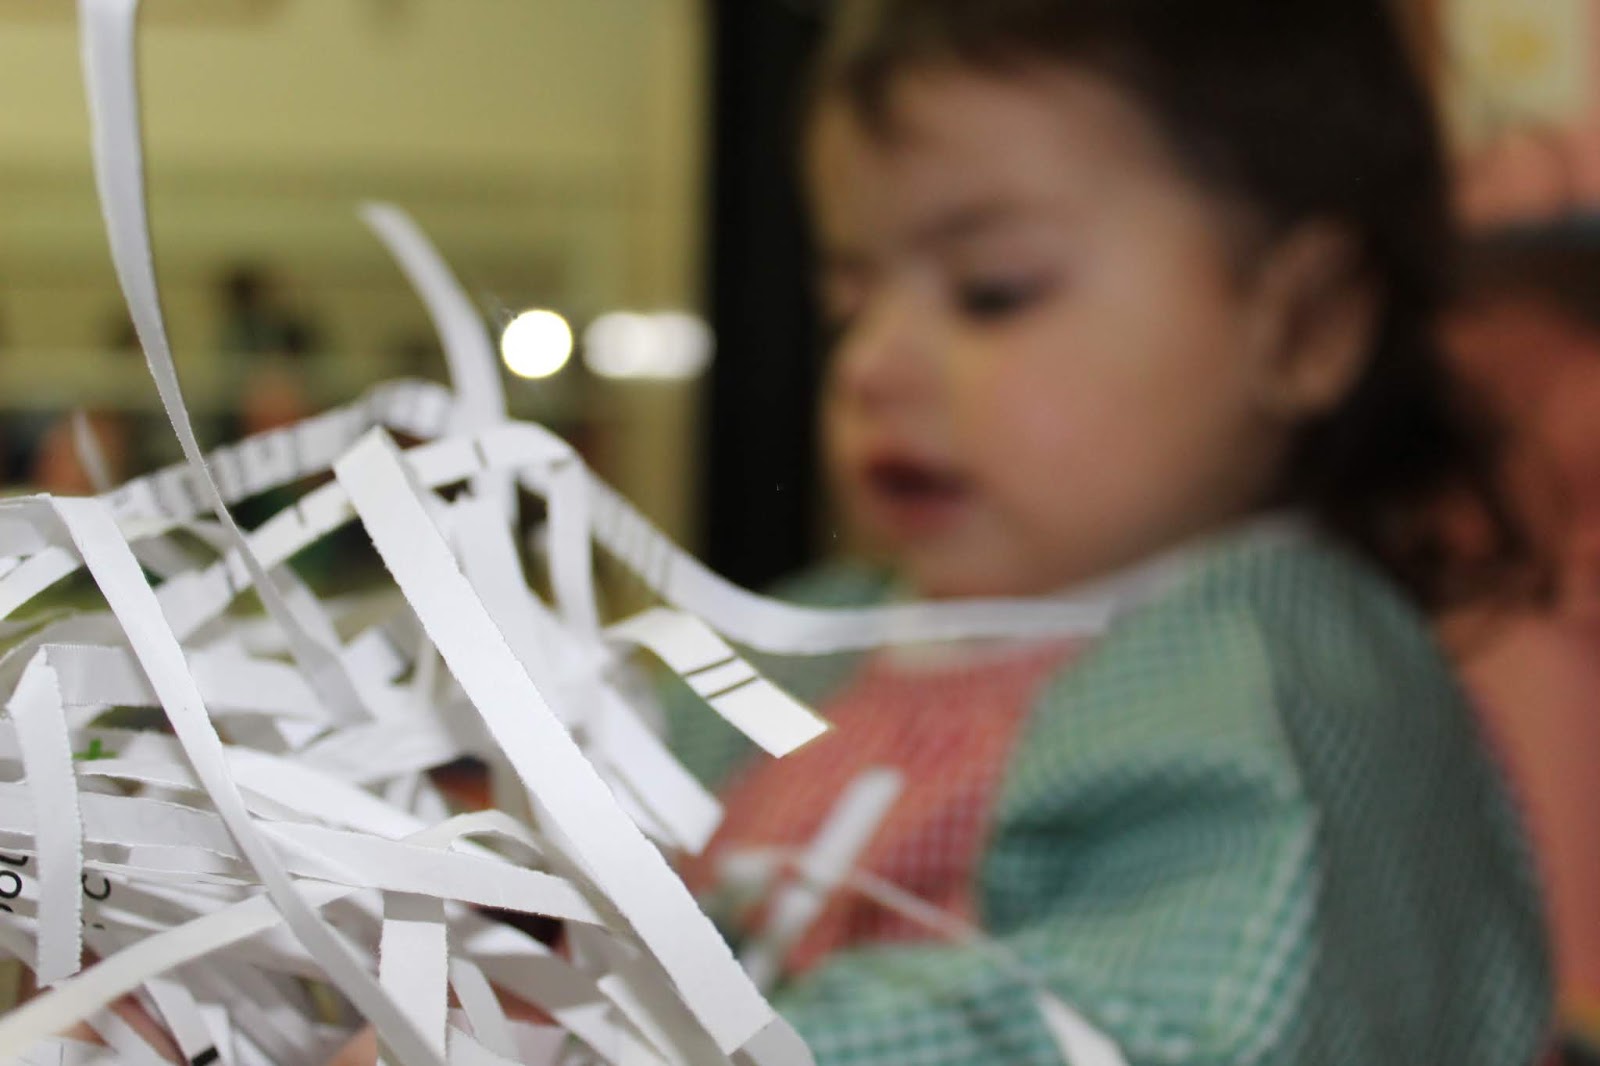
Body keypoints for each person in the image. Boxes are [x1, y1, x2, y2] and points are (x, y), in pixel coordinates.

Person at [661, 1, 1554, 1064]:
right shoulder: (814, 636)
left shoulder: (1281, 673)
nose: (869, 366)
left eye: (992, 293)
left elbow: (1148, 1025)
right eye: (850, 301)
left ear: (1306, 322)